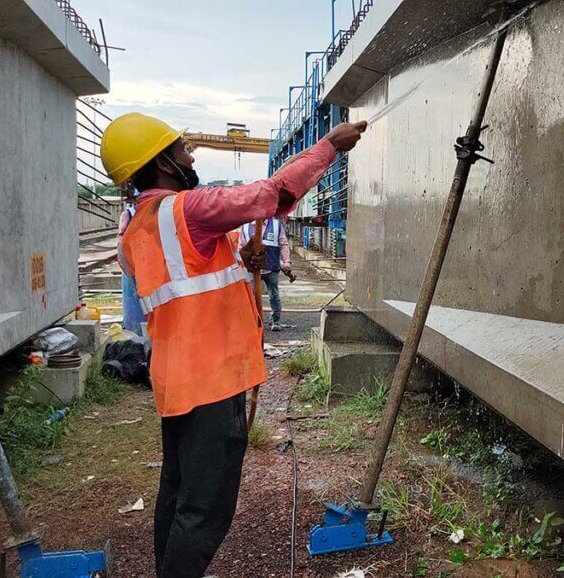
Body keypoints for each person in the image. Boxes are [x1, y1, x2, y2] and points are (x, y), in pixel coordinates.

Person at [100, 112, 366, 578]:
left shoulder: (135, 230)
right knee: (205, 511)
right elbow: (273, 194)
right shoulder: (190, 209)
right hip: (211, 381)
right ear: (162, 163)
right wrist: (330, 146)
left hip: (174, 380)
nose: (191, 154)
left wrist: (239, 261)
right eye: (182, 149)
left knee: (177, 493)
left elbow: (183, 281)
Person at [239, 216, 291, 331]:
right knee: (250, 296)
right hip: (252, 268)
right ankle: (253, 319)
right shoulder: (246, 226)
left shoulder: (276, 225)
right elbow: (241, 246)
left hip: (271, 267)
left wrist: (286, 262)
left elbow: (283, 244)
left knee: (273, 295)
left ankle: (276, 319)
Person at [116, 185, 144, 335]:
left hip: (148, 267)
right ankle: (136, 333)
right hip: (133, 267)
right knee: (136, 306)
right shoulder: (128, 215)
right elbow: (121, 245)